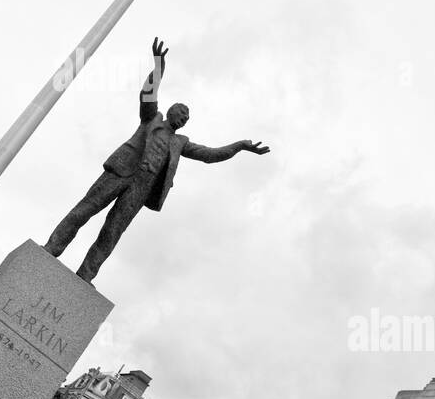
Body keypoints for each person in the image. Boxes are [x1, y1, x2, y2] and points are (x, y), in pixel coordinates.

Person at [44, 37, 270, 282]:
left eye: (187, 118)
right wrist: (159, 68)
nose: (184, 118)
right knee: (84, 210)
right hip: (122, 171)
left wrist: (239, 146)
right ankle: (51, 249)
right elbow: (147, 94)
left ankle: (86, 275)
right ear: (171, 110)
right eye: (182, 113)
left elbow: (209, 155)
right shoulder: (152, 118)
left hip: (141, 189)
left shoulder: (180, 142)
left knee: (112, 232)